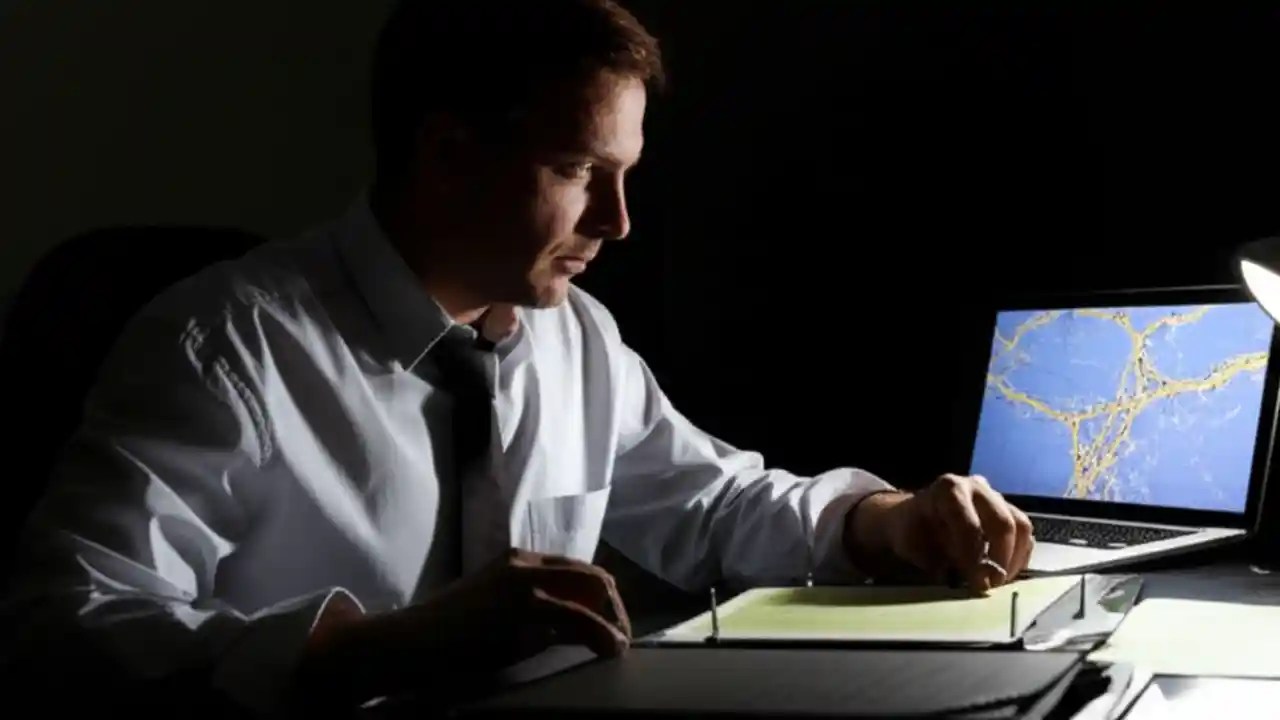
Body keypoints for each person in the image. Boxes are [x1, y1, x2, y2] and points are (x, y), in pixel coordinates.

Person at [0, 0, 1035, 716]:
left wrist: (884, 522)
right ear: (447, 154)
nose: (619, 222)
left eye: (623, 173)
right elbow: (63, 628)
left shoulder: (571, 332)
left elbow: (709, 504)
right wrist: (367, 651)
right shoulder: (227, 341)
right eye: (581, 169)